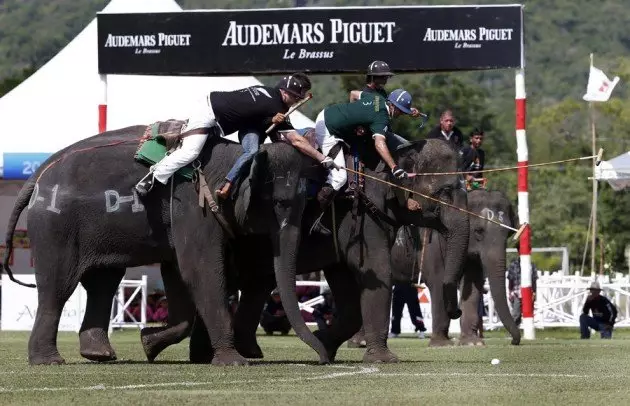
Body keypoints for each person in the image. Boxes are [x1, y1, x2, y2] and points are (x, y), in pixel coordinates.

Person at [134, 73, 312, 197]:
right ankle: (152, 178)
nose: (296, 101)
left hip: (213, 110)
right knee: (191, 152)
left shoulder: (266, 91)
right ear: (284, 92)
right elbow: (290, 136)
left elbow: (257, 117)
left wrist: (270, 121)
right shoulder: (276, 106)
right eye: (295, 97)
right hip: (210, 113)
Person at [309, 88, 416, 234]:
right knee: (339, 178)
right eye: (400, 111)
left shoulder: (377, 99)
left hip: (328, 111)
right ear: (392, 106)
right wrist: (394, 167)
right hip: (328, 128)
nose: (400, 115)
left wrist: (354, 119)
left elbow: (353, 93)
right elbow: (379, 144)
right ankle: (315, 219)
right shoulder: (382, 117)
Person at [507, 253, 538, 326]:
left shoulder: (531, 265)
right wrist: (510, 292)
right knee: (516, 314)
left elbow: (534, 280)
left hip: (528, 293)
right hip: (516, 292)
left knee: (528, 313)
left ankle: (528, 330)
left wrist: (534, 292)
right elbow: (510, 280)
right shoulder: (513, 265)